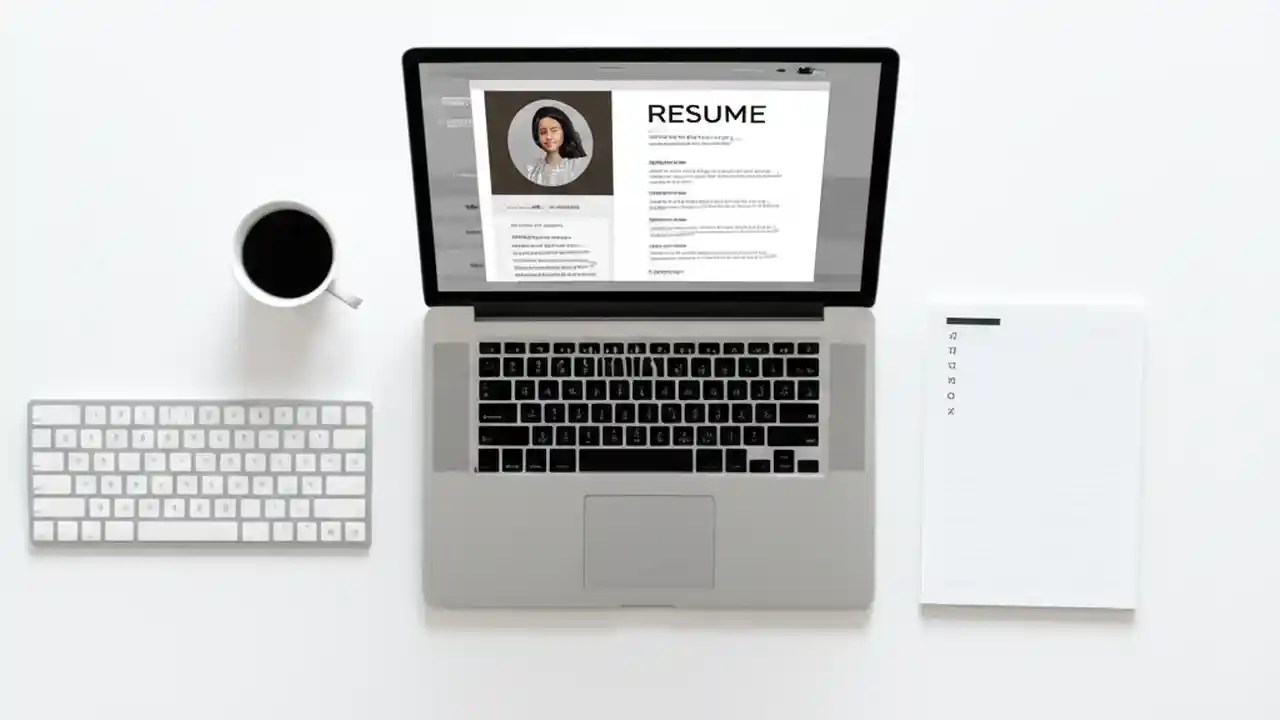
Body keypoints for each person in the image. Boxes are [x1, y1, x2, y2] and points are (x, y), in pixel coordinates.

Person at [524, 105, 588, 187]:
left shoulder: (578, 166)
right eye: (543, 132)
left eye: (554, 130)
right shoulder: (531, 169)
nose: (549, 137)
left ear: (564, 131)